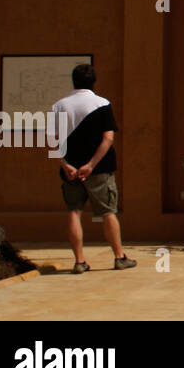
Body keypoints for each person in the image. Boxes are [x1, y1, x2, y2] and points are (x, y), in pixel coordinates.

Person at [51, 63, 135, 273]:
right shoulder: (102, 104)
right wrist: (91, 165)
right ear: (93, 81)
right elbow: (108, 138)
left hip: (70, 170)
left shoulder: (59, 106)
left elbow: (52, 141)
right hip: (99, 170)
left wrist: (66, 165)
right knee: (108, 212)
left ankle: (79, 261)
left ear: (73, 80)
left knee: (74, 212)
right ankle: (119, 257)